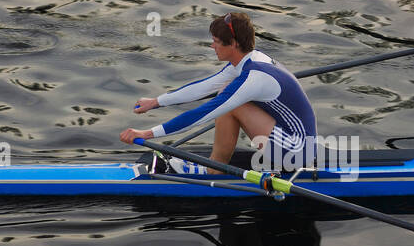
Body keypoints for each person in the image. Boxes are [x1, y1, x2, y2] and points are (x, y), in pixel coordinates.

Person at [120, 11, 316, 172]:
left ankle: (214, 168)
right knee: (225, 92)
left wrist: (147, 133)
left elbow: (204, 113)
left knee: (228, 104)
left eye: (216, 41)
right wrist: (156, 101)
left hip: (297, 152)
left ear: (233, 44)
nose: (212, 46)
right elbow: (203, 87)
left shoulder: (255, 77)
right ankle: (217, 165)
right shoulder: (249, 59)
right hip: (293, 140)